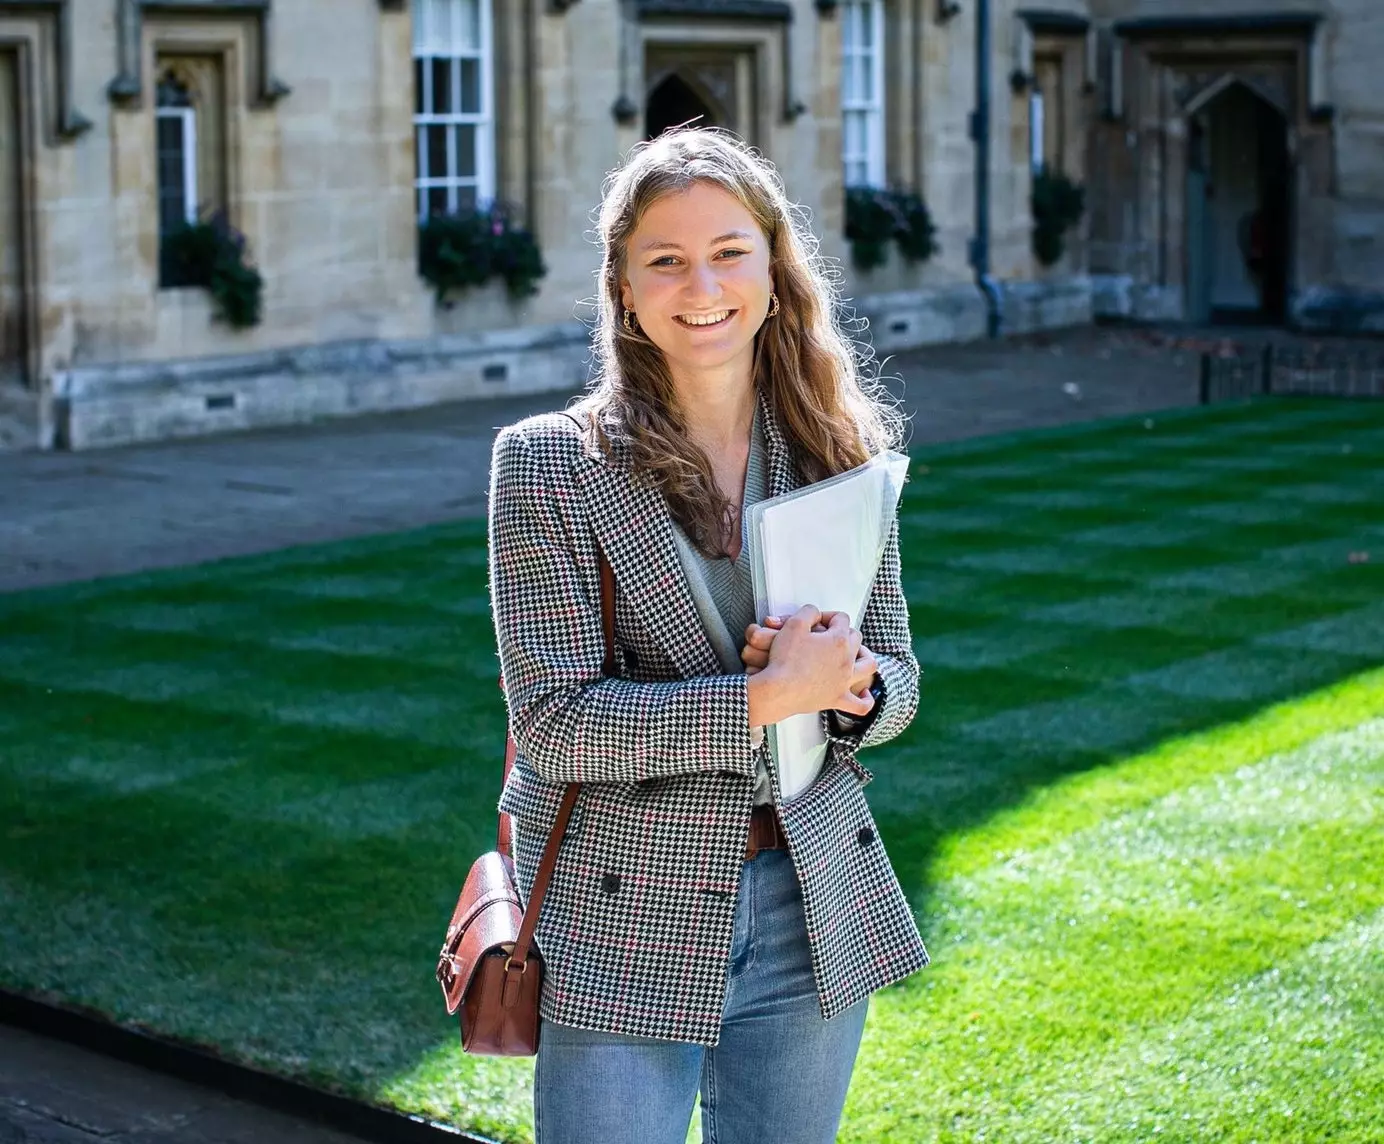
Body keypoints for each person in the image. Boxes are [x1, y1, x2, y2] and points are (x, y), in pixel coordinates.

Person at [486, 127, 927, 1144]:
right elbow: (554, 727)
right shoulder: (546, 465)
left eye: (729, 251)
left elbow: (899, 676)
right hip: (622, 911)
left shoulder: (836, 448)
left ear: (774, 269)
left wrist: (851, 683)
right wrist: (767, 697)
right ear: (625, 289)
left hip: (807, 902)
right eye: (666, 260)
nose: (702, 285)